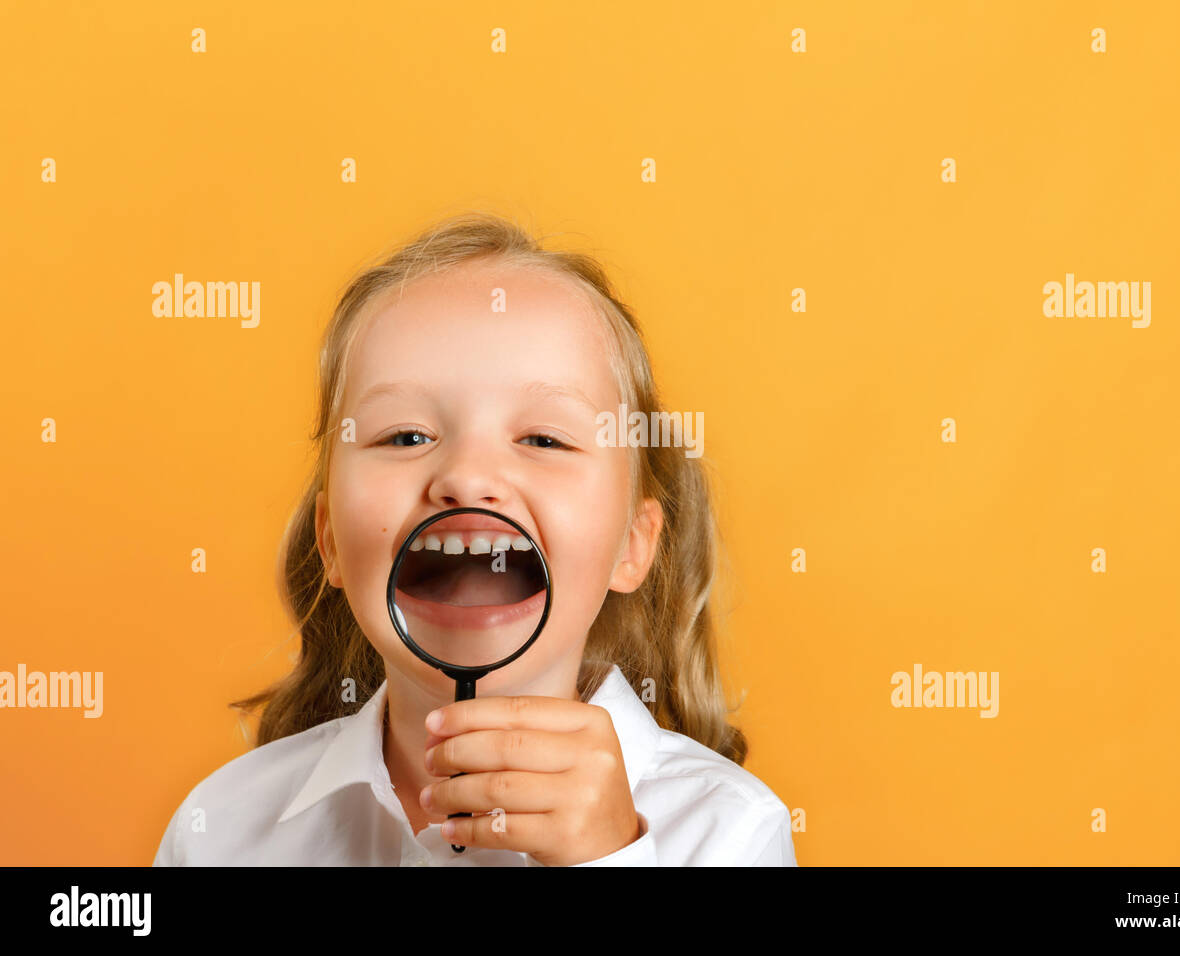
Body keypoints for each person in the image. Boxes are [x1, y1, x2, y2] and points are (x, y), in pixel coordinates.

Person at [152, 212, 797, 866]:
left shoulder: (728, 833)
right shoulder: (222, 830)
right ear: (332, 543)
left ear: (633, 544)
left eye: (544, 439)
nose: (466, 477)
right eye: (405, 436)